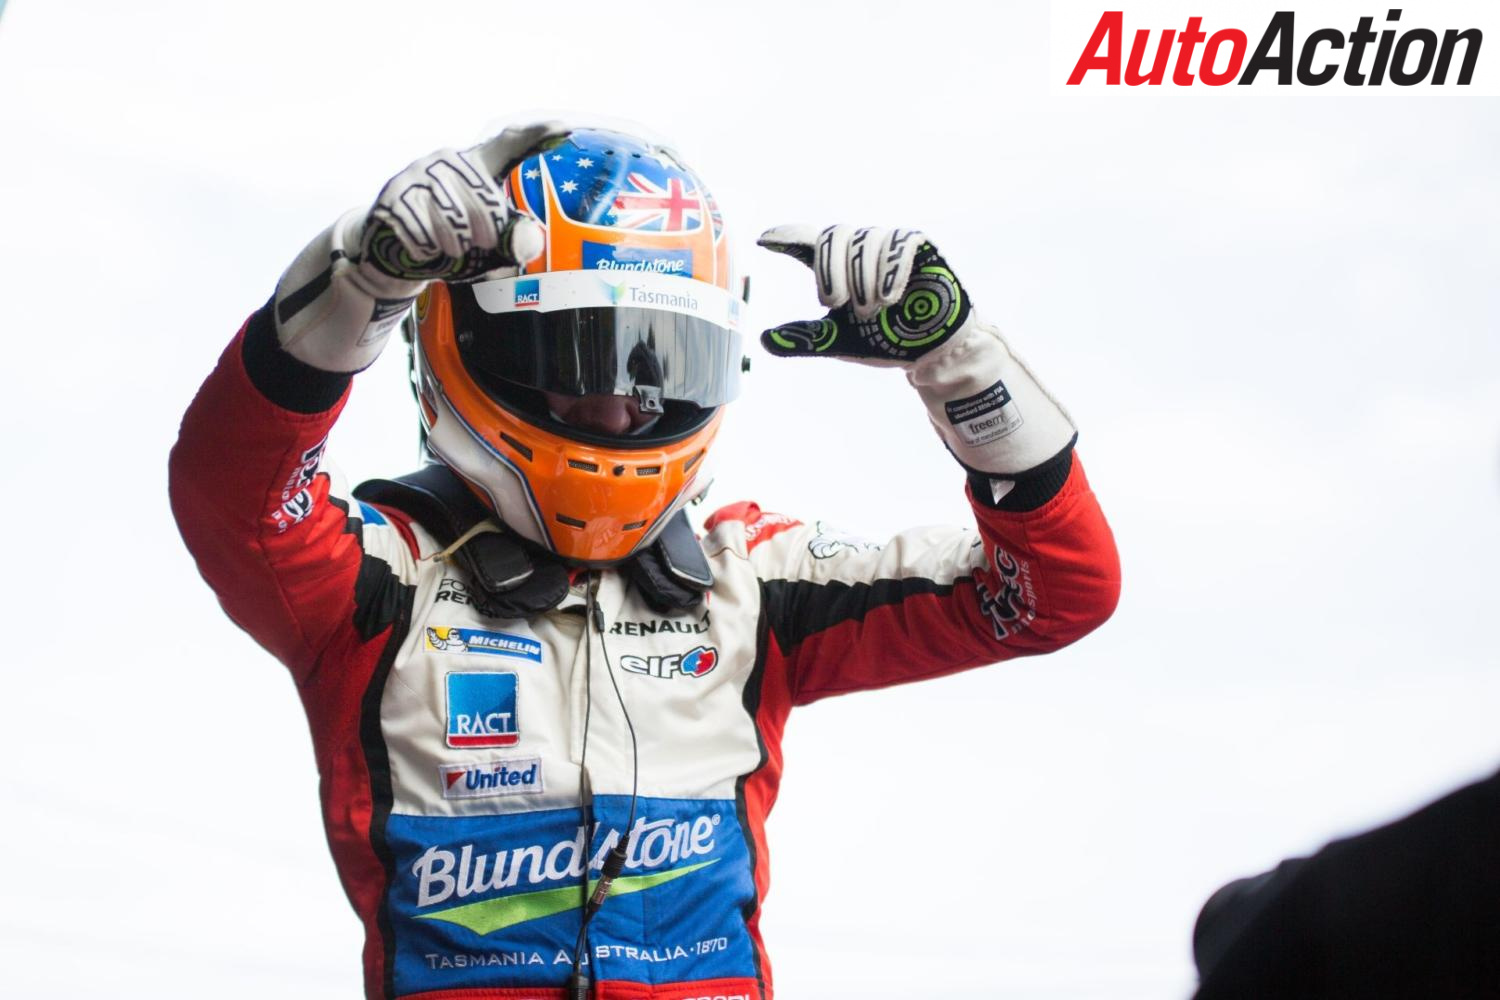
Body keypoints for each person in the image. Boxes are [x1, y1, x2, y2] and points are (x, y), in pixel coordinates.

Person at [169, 119, 1121, 1000]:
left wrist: (957, 358)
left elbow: (1053, 594)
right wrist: (355, 282)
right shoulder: (383, 579)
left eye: (659, 362)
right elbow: (232, 495)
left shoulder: (753, 578)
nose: (620, 410)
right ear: (463, 339)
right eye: (572, 356)